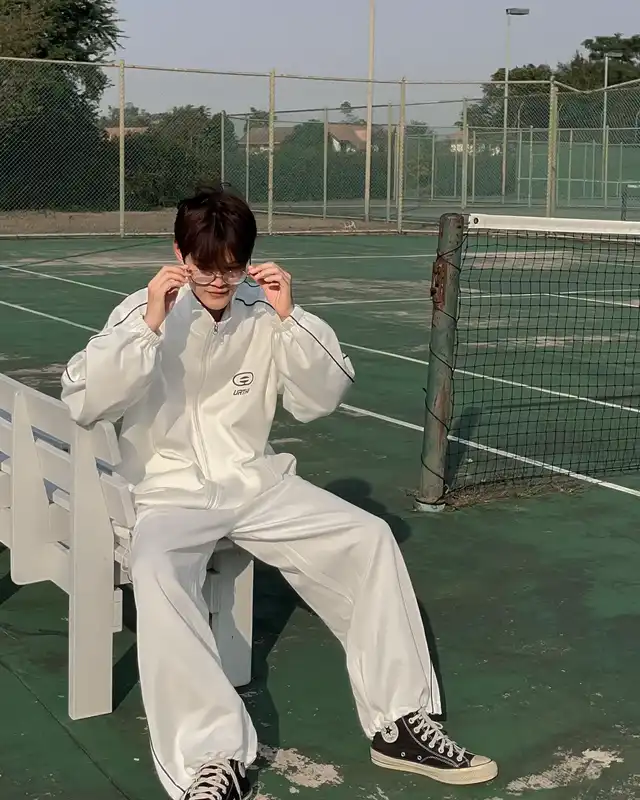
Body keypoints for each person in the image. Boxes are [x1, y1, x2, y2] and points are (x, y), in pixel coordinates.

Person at [61, 185, 498, 800]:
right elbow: (84, 399)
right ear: (179, 255)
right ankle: (212, 759)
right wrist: (150, 326)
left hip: (256, 483)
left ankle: (400, 722)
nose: (219, 282)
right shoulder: (142, 310)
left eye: (232, 268)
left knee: (367, 537)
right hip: (169, 494)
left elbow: (319, 399)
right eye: (205, 268)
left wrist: (292, 319)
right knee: (156, 570)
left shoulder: (265, 311)